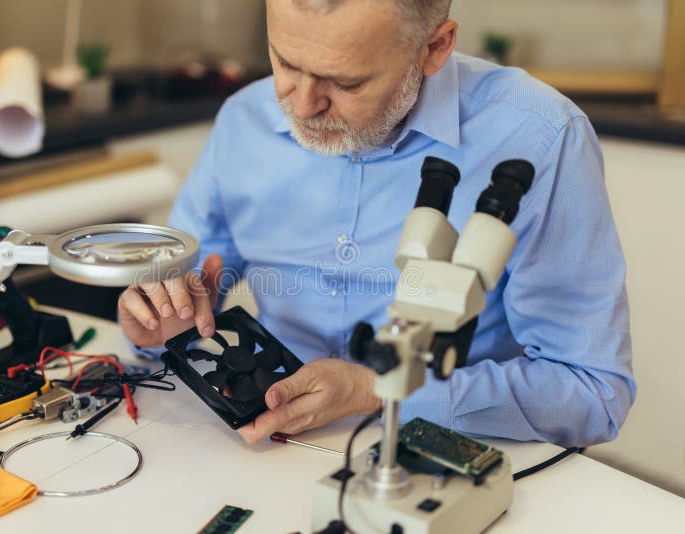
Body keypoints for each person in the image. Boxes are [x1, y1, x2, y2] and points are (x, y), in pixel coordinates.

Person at [118, 0, 634, 448]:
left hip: (448, 458)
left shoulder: (539, 136)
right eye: (284, 61)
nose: (301, 105)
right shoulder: (242, 120)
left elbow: (593, 392)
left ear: (435, 48)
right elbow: (193, 295)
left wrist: (375, 391)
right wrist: (167, 322)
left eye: (345, 82)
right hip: (264, 447)